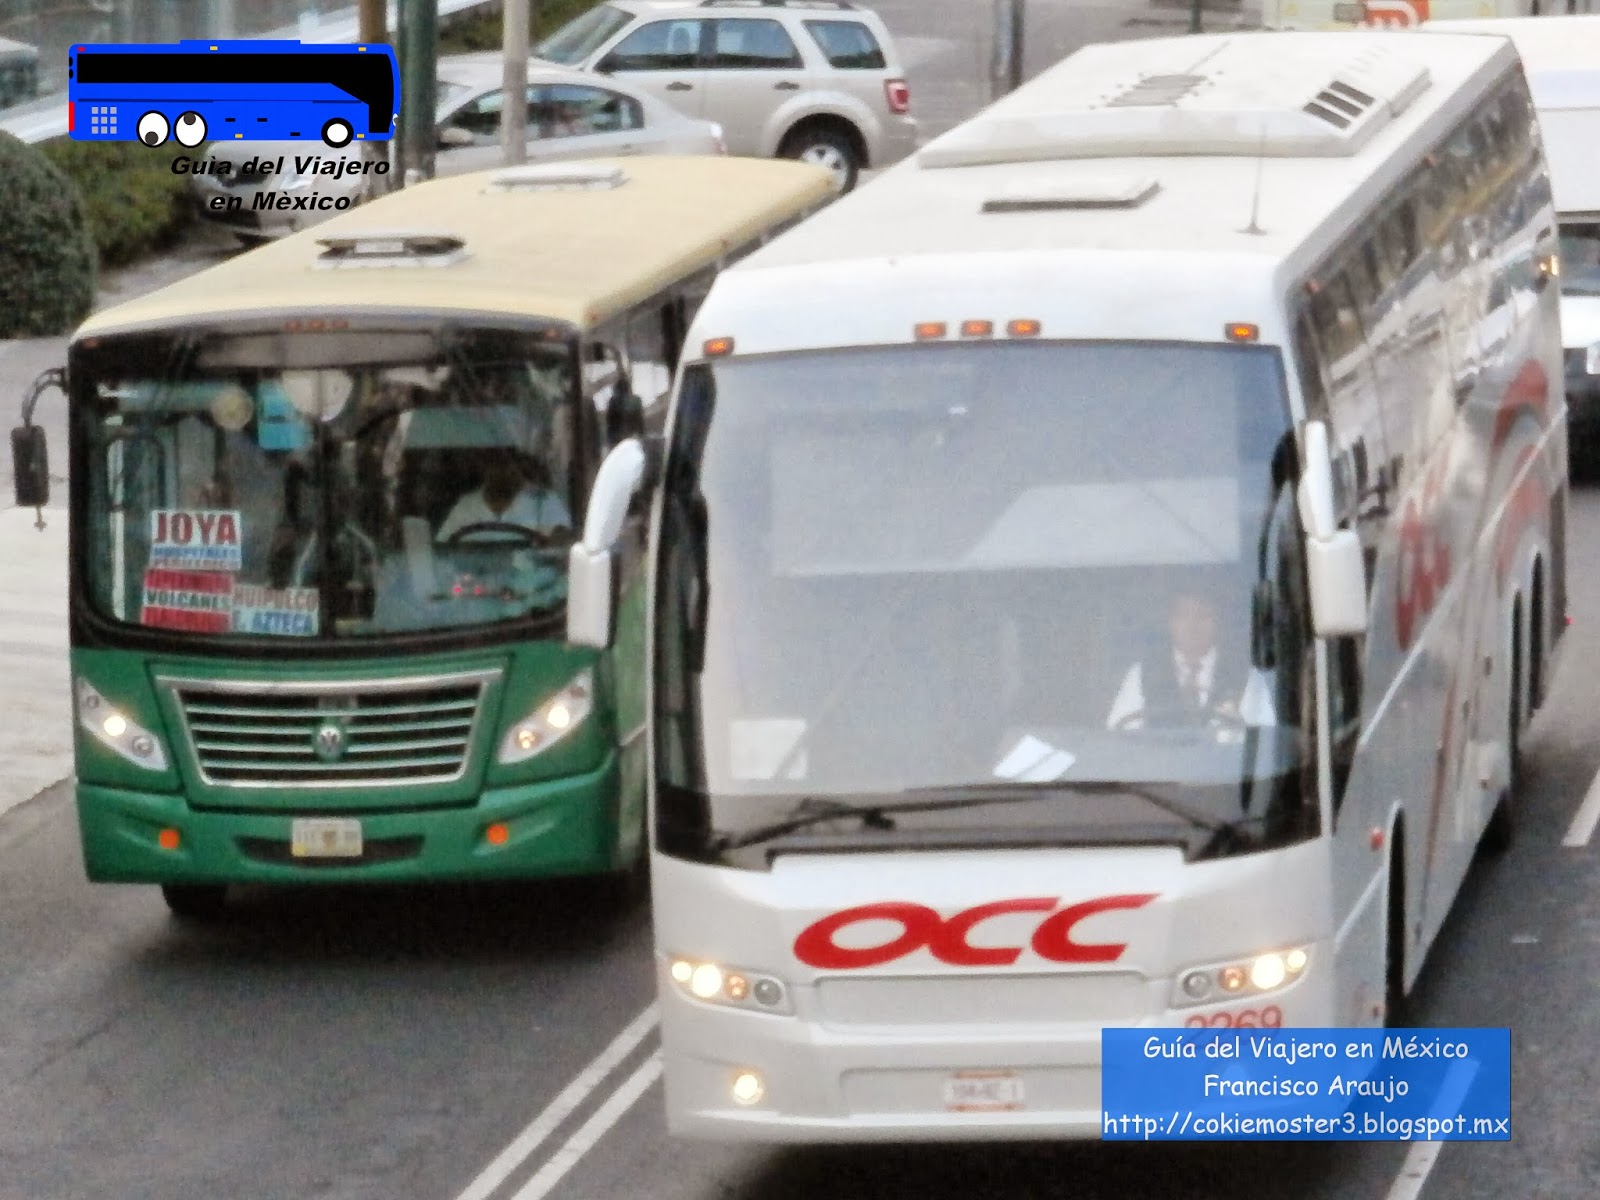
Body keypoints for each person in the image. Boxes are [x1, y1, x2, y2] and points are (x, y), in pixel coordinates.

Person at [1105, 588, 1277, 731]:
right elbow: (1119, 734)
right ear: (1170, 622)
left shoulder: (1247, 678)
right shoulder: (1142, 674)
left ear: (1218, 622)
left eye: (1203, 616)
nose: (1192, 626)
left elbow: (1263, 741)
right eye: (1183, 615)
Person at [436, 447, 571, 543]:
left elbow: (562, 542)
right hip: (473, 581)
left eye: (506, 462)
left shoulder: (543, 501)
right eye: (494, 463)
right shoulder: (466, 506)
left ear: (518, 465)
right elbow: (444, 549)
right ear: (483, 467)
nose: (501, 470)